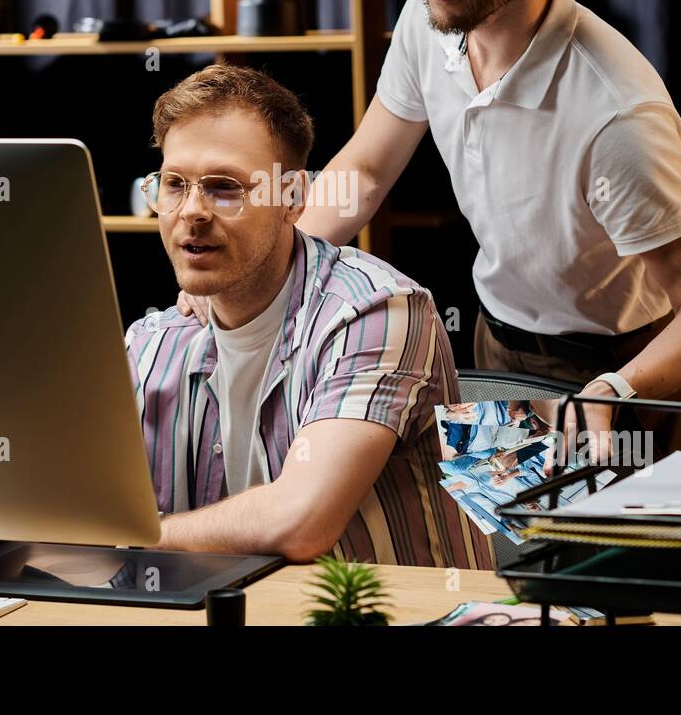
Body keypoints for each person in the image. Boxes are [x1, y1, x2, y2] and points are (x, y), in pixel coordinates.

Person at [181, 0, 681, 474]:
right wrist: (260, 264)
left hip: (622, 372)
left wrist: (618, 389)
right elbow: (363, 174)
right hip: (494, 342)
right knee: (499, 565)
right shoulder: (432, 13)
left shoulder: (617, 113)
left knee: (614, 577)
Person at [125, 63, 494, 568]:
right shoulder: (151, 343)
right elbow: (68, 491)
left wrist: (127, 539)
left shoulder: (378, 310)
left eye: (224, 186)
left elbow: (301, 522)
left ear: (293, 198)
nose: (192, 210)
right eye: (174, 184)